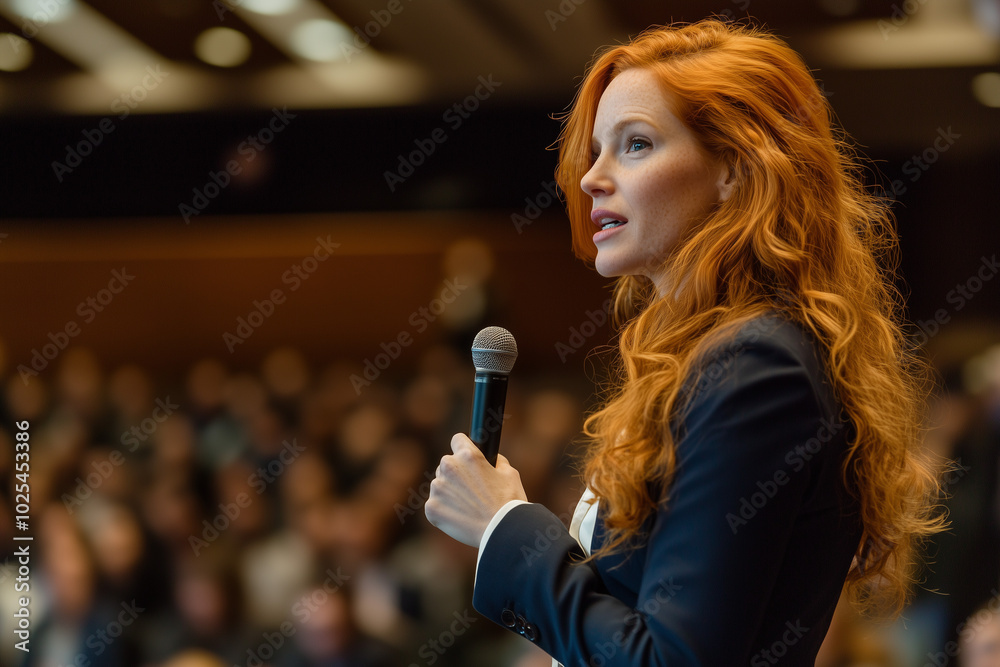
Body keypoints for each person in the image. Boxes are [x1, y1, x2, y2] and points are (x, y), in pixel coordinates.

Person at [424, 18, 945, 666]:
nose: (592, 176)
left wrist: (506, 525)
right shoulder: (716, 355)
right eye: (598, 148)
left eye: (635, 144)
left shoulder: (757, 367)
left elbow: (672, 659)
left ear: (734, 168)